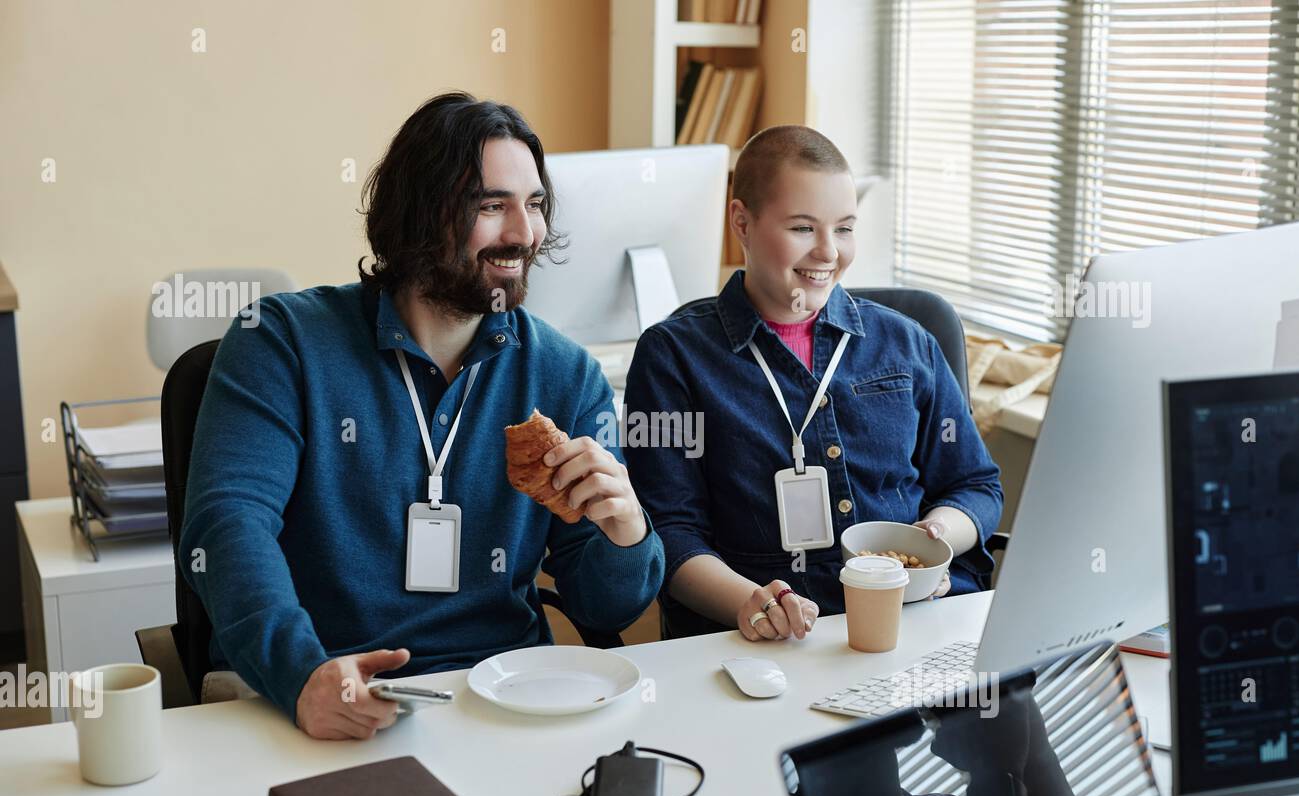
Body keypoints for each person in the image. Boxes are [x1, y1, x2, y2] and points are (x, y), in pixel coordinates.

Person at [181, 92, 664, 739]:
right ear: (419, 213)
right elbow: (228, 524)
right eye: (492, 206)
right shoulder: (281, 340)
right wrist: (302, 675)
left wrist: (627, 531)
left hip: (502, 700)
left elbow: (604, 604)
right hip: (315, 692)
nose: (524, 234)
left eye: (536, 205)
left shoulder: (565, 374)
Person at [624, 125, 1001, 641]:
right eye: (803, 228)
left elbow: (975, 485)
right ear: (742, 222)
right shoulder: (673, 356)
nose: (828, 252)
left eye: (844, 229)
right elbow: (670, 533)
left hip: (915, 622)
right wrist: (753, 602)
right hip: (767, 642)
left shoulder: (908, 343)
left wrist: (934, 539)